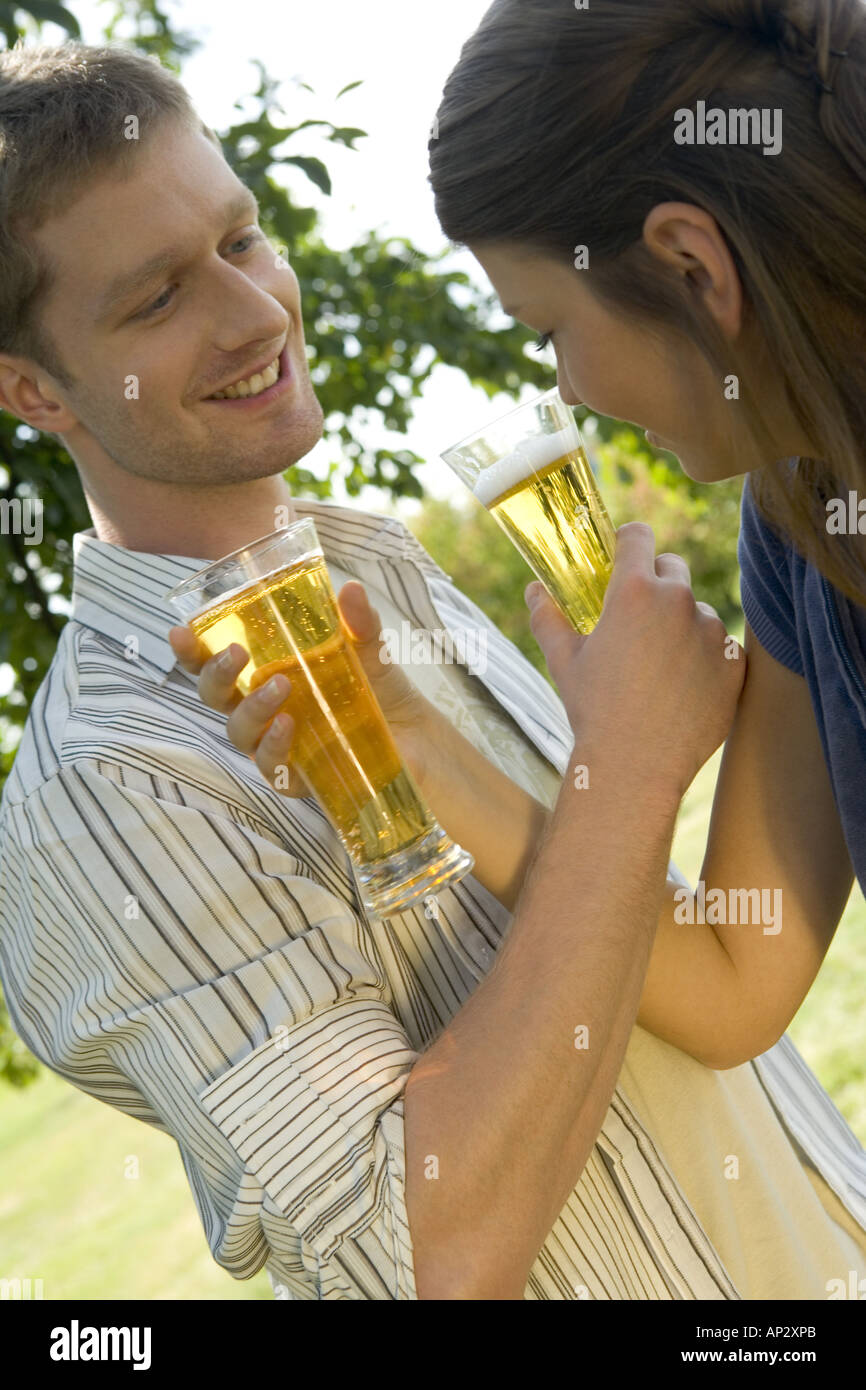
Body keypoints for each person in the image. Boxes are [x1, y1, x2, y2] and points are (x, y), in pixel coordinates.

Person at [0, 37, 863, 1303]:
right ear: (29, 387)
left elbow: (716, 988)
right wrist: (622, 769)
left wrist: (501, 763)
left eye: (241, 242)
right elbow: (427, 1269)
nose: (255, 316)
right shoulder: (103, 795)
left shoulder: (381, 574)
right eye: (156, 298)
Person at [425, 0, 866, 1076]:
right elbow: (733, 977)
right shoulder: (798, 523)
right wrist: (408, 738)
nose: (567, 389)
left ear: (689, 265)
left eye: (549, 333)